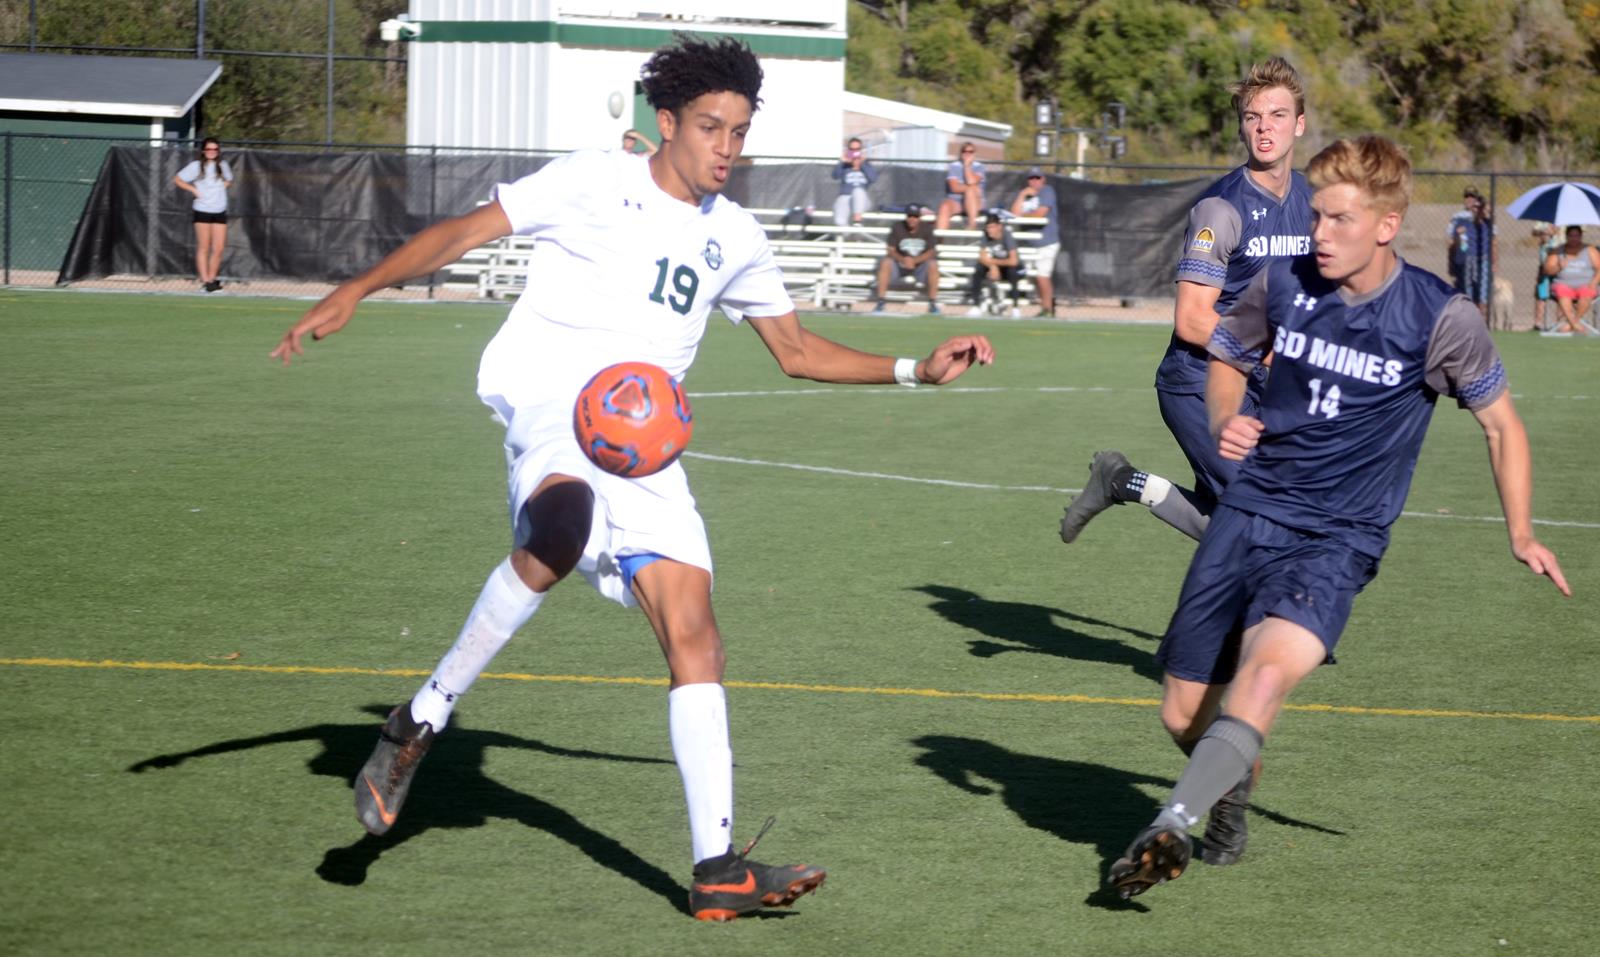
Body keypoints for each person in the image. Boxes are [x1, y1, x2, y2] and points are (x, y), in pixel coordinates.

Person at [268, 35, 994, 922]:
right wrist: (359, 288)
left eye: (739, 132)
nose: (726, 147)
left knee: (698, 637)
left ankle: (716, 866)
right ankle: (420, 719)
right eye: (710, 127)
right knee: (562, 523)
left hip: (647, 444)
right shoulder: (591, 181)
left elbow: (797, 352)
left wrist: (917, 369)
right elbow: (466, 231)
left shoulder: (735, 235)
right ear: (668, 121)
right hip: (557, 405)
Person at [1107, 135, 1569, 902]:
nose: (1317, 231)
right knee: (1183, 709)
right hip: (1249, 510)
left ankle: (1171, 822)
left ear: (1386, 224)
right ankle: (1226, 800)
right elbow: (1225, 354)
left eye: (1338, 218)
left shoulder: (1440, 316)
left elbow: (1502, 426)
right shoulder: (1283, 281)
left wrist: (1520, 531)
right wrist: (1228, 417)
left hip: (1337, 537)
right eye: (1317, 214)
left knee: (1263, 674)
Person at [1059, 57, 1313, 559]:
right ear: (1241, 125)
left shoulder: (1308, 198)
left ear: (1299, 125)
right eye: (1252, 116)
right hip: (1199, 385)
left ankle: (1125, 482)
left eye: (1278, 115)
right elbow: (1194, 320)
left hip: (1262, 384)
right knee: (1263, 525)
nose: (1264, 127)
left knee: (1267, 519)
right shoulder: (1220, 209)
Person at [173, 137, 233, 292]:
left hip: (219, 210)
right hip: (202, 210)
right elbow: (178, 179)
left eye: (215, 149)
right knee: (204, 247)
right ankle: (205, 281)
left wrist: (219, 191)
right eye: (209, 149)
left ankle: (212, 280)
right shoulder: (196, 166)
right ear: (203, 151)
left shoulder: (223, 165)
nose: (212, 152)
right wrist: (194, 190)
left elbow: (229, 180)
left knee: (218, 247)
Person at [871, 203, 942, 314]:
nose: (912, 219)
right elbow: (890, 250)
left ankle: (932, 303)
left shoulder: (927, 228)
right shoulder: (897, 227)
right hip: (900, 265)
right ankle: (881, 302)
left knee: (933, 265)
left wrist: (915, 260)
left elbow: (931, 252)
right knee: (885, 262)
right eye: (909, 216)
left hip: (920, 265)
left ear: (919, 217)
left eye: (915, 216)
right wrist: (903, 259)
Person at [1009, 166, 1061, 316]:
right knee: (1035, 277)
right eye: (1032, 178)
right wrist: (1022, 194)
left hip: (1046, 242)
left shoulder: (1047, 191)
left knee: (1042, 275)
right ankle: (1045, 308)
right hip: (1030, 244)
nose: (1035, 181)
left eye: (1037, 178)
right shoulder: (1026, 194)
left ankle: (1048, 309)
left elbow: (1040, 214)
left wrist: (1023, 215)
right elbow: (1013, 214)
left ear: (1043, 179)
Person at [1542, 224, 1599, 335]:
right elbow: (1547, 270)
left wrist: (1594, 282)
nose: (1574, 238)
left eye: (1577, 236)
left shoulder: (1590, 250)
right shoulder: (1558, 251)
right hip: (1563, 284)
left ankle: (1571, 325)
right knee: (1563, 294)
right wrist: (1559, 267)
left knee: (1587, 294)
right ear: (1566, 236)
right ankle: (1576, 325)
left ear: (1581, 236)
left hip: (1586, 284)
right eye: (1571, 236)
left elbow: (1599, 269)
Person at [1449, 188, 1496, 317]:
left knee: (1483, 289)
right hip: (1468, 258)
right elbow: (1454, 243)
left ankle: (1482, 316)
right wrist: (1459, 236)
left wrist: (1495, 262)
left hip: (1483, 258)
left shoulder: (1487, 223)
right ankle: (1469, 316)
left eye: (1478, 206)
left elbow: (1493, 242)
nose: (1476, 209)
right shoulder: (1462, 221)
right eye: (1474, 207)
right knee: (1467, 286)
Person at [964, 213, 1020, 317]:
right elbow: (981, 256)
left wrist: (993, 263)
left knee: (1013, 272)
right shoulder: (985, 235)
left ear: (999, 226)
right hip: (992, 268)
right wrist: (992, 267)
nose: (989, 230)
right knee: (978, 269)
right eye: (987, 227)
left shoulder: (1007, 235)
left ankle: (1015, 307)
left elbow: (1014, 261)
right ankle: (976, 305)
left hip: (1006, 268)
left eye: (992, 227)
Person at [830, 136, 878, 227]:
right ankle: (848, 236)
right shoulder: (844, 166)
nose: (855, 152)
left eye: (857, 149)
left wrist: (862, 164)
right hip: (846, 199)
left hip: (862, 202)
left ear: (861, 150)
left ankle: (857, 221)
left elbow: (873, 179)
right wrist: (842, 162)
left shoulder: (866, 165)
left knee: (858, 191)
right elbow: (835, 176)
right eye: (852, 149)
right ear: (848, 150)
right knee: (839, 221)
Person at [936, 142, 985, 230]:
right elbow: (954, 188)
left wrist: (966, 166)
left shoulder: (979, 167)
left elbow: (971, 181)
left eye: (970, 152)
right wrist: (970, 188)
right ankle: (939, 240)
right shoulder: (954, 166)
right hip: (956, 202)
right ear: (961, 153)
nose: (967, 154)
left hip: (975, 202)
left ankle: (972, 226)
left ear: (974, 153)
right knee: (944, 207)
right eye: (964, 151)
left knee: (970, 191)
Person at [1531, 223, 1559, 330]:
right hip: (1544, 267)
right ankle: (1538, 323)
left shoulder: (1568, 218)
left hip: (1559, 267)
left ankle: (1559, 322)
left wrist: (1557, 231)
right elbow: (1534, 231)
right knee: (1541, 294)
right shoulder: (1543, 221)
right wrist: (1545, 232)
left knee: (1559, 295)